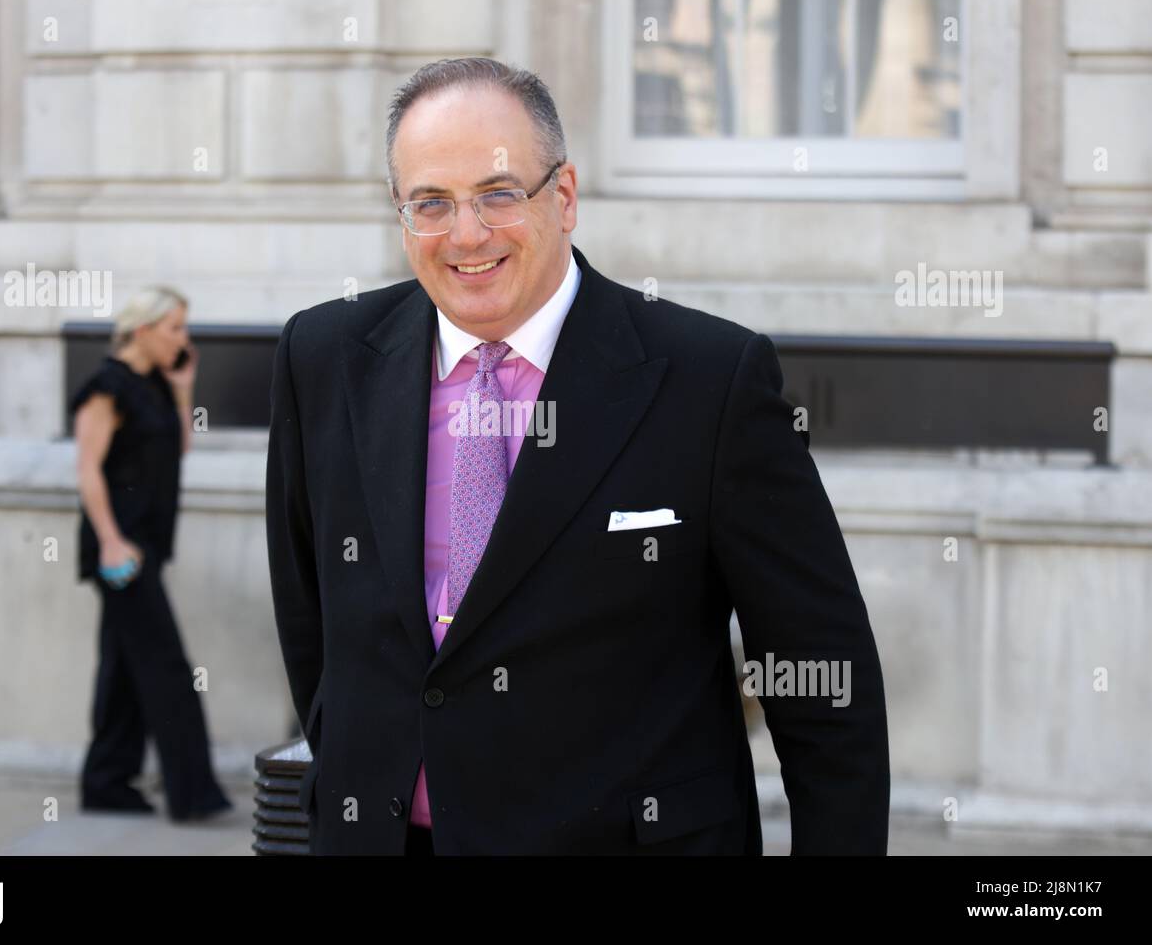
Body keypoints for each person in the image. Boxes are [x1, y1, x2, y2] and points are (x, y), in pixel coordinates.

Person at [266, 58, 888, 855]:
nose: (466, 234)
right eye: (431, 204)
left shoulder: (709, 380)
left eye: (497, 194)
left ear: (562, 196)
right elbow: (310, 624)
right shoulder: (323, 358)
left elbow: (822, 680)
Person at [71, 285, 232, 822]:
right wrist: (112, 539)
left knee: (121, 665)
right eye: (175, 328)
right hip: (121, 550)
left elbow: (177, 448)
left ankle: (106, 781)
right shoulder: (106, 387)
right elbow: (87, 468)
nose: (184, 339)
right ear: (144, 330)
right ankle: (194, 795)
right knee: (166, 666)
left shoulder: (156, 385)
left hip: (149, 546)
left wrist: (184, 390)